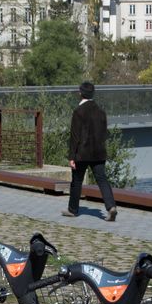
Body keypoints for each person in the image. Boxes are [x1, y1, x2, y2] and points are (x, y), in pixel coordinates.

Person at [65, 81, 117, 221]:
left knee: (76, 181)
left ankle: (73, 210)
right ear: (93, 93)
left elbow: (75, 136)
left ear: (80, 93)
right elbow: (105, 133)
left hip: (82, 153)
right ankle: (111, 206)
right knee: (102, 180)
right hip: (99, 153)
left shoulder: (78, 112)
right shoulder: (101, 112)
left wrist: (71, 156)